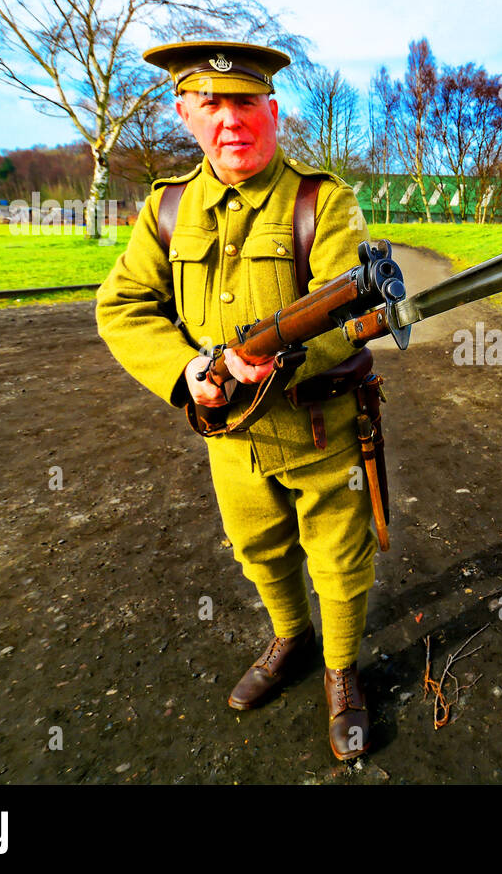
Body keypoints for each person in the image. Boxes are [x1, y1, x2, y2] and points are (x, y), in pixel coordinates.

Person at [95, 41, 377, 761]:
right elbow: (124, 306)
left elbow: (352, 318)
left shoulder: (321, 201)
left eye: (246, 102)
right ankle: (290, 639)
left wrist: (272, 361)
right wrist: (185, 369)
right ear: (184, 113)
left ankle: (341, 673)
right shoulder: (167, 207)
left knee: (339, 559)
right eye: (211, 104)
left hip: (322, 426)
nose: (231, 121)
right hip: (230, 436)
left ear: (273, 112)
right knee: (258, 549)